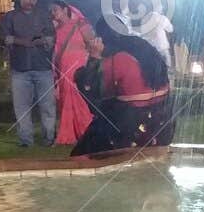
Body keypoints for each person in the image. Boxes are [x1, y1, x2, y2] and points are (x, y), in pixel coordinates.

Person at [72, 29, 173, 157]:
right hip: (161, 126)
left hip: (128, 129)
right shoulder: (152, 58)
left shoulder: (120, 59)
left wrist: (94, 57)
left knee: (85, 150)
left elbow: (92, 89)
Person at [0, 0, 55, 148]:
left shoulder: (44, 16)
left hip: (43, 67)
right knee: (22, 107)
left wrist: (29, 41)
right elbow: (4, 38)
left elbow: (50, 38)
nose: (32, 1)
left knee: (47, 106)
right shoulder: (10, 17)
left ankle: (49, 138)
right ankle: (26, 140)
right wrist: (25, 42)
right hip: (20, 68)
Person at [50, 0, 94, 146]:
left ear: (64, 9)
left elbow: (91, 42)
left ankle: (86, 131)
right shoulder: (55, 28)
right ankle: (69, 133)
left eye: (56, 10)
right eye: (52, 11)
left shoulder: (81, 24)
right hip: (63, 67)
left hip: (78, 66)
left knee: (77, 97)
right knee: (65, 98)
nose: (54, 13)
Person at [127, 0, 174, 69]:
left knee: (152, 71)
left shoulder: (145, 19)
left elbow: (143, 34)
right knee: (166, 69)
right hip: (162, 49)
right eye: (161, 6)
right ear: (159, 7)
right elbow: (171, 29)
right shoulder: (161, 18)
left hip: (150, 50)